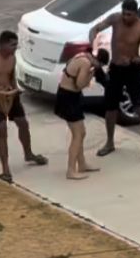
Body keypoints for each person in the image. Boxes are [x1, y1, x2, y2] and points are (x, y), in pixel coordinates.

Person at [0, 30, 48, 182]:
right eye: (12, 45)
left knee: (23, 123)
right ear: (3, 44)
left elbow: (10, 76)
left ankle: (29, 154)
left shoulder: (12, 58)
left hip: (10, 95)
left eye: (16, 44)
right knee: (1, 129)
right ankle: (5, 169)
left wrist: (15, 89)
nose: (15, 47)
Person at [89, 0, 140, 162]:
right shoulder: (115, 19)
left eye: (130, 15)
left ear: (136, 14)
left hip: (132, 69)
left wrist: (134, 60)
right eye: (124, 14)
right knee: (110, 107)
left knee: (139, 106)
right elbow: (95, 28)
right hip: (116, 68)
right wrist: (93, 43)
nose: (126, 18)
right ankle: (110, 142)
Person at [55, 46, 109, 180]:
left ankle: (82, 164)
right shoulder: (86, 64)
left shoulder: (83, 56)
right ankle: (71, 170)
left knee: (81, 132)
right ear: (98, 61)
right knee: (77, 135)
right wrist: (90, 75)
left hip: (70, 96)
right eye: (100, 66)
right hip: (68, 98)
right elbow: (80, 84)